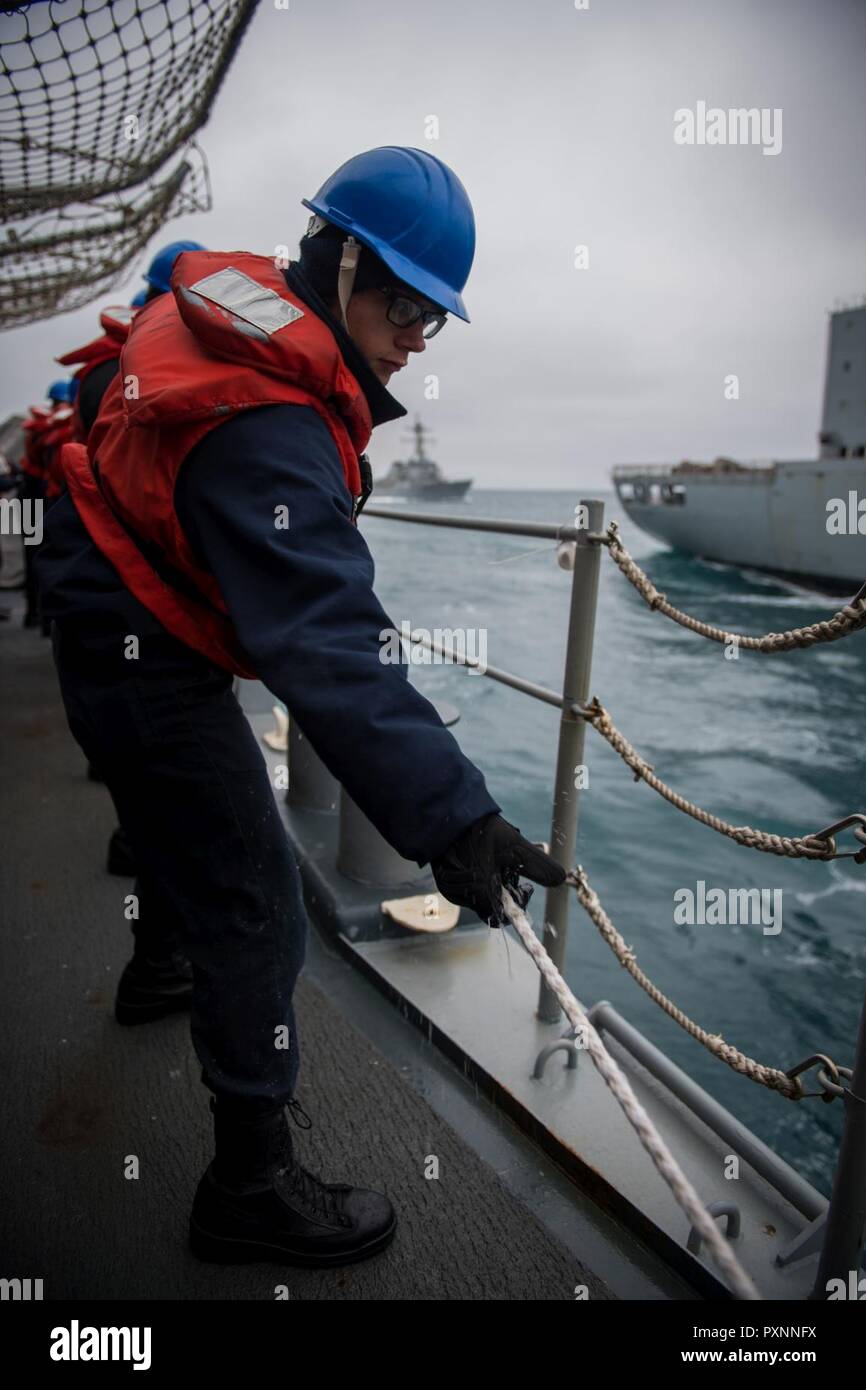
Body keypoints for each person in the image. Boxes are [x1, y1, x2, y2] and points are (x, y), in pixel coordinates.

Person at [37, 146, 565, 1269]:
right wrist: (457, 821)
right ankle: (249, 1183)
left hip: (106, 619)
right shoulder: (269, 424)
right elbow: (329, 647)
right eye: (408, 303)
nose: (418, 336)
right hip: (141, 659)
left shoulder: (235, 323)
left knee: (189, 838)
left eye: (437, 318)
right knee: (260, 906)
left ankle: (157, 967)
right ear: (345, 263)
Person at [54, 241, 206, 872]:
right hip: (134, 595)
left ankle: (131, 848)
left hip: (93, 580)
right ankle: (162, 967)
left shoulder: (105, 373)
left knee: (138, 764)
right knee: (173, 797)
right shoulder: (144, 369)